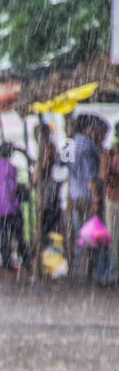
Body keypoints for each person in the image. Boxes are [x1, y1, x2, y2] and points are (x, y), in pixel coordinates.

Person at [66, 113, 106, 281]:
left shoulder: (69, 144)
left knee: (80, 237)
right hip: (87, 198)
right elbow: (91, 178)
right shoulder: (88, 147)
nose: (101, 136)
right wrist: (96, 201)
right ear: (89, 129)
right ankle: (90, 274)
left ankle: (78, 272)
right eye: (99, 131)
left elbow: (65, 172)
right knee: (91, 237)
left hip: (74, 197)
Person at [0, 142, 25, 272]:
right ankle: (25, 259)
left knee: (4, 236)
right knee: (19, 236)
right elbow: (12, 187)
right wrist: (22, 189)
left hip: (1, 208)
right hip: (13, 207)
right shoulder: (11, 167)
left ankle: (6, 262)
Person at [32, 122, 62, 246]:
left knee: (47, 219)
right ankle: (44, 244)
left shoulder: (48, 147)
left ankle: (44, 244)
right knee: (46, 218)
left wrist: (38, 174)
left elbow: (46, 168)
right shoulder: (45, 148)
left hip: (48, 190)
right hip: (47, 190)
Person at [100, 123, 119, 284]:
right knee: (113, 237)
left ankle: (113, 272)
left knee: (113, 237)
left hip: (112, 198)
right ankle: (113, 271)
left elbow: (104, 176)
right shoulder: (109, 153)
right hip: (113, 199)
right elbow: (104, 176)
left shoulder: (109, 153)